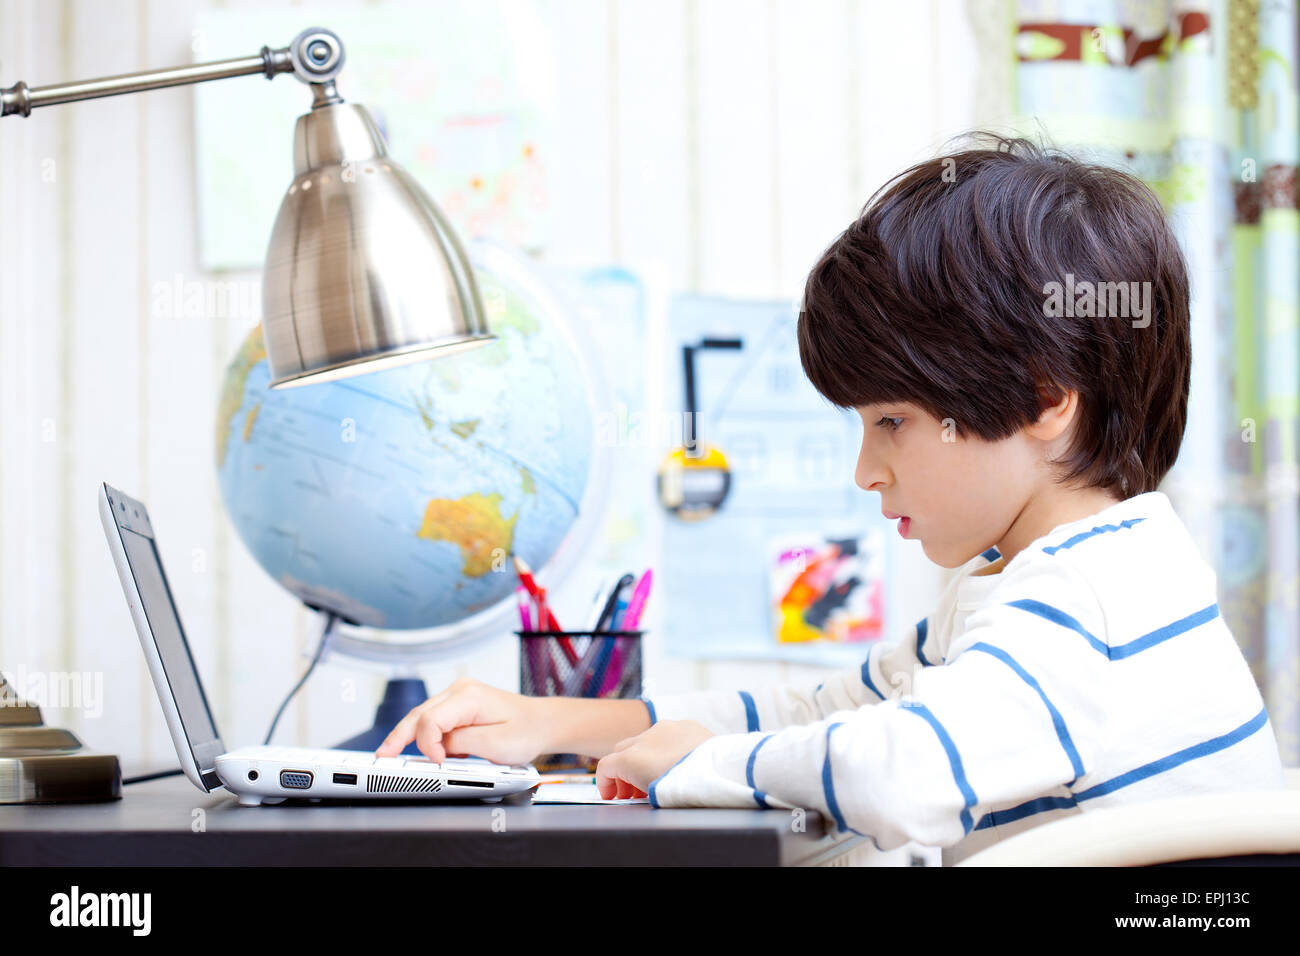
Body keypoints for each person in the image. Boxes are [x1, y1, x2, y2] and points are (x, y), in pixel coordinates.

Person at [376, 132, 1286, 863]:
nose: (867, 471)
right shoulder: (1042, 579)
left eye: (890, 421)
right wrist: (554, 723)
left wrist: (698, 766)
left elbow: (902, 772)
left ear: (1046, 401)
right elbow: (830, 713)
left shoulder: (1091, 598)